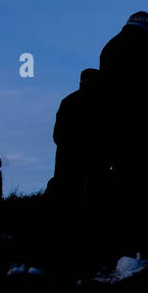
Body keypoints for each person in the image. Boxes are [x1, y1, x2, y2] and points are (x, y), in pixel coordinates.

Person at [99, 11, 148, 208]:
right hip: (142, 110)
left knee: (118, 157)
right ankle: (141, 202)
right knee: (139, 156)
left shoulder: (111, 45)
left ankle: (112, 201)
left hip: (112, 112)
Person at [47, 68, 107, 205]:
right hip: (88, 161)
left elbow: (58, 135)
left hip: (68, 160)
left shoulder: (68, 101)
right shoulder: (101, 104)